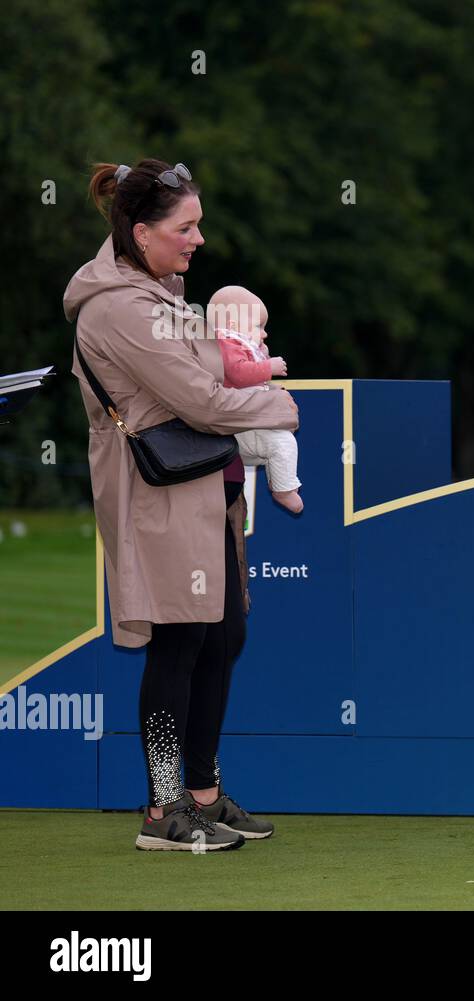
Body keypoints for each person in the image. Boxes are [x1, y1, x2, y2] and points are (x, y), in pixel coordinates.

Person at [64, 159, 299, 851]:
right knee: (178, 641)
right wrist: (277, 405)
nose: (198, 238)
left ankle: (202, 792)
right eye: (185, 227)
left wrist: (244, 386)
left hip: (206, 483)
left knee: (222, 637)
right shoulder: (121, 306)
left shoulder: (158, 289)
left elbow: (209, 377)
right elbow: (200, 398)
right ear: (142, 232)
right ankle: (162, 810)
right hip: (160, 492)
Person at [208, 284, 303, 513]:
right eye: (258, 326)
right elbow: (239, 374)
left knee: (281, 444)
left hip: (244, 425)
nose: (264, 333)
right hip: (242, 425)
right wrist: (268, 367)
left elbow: (251, 381)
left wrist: (271, 387)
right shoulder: (226, 343)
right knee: (282, 443)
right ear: (232, 326)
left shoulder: (237, 345)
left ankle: (282, 484)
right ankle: (284, 488)